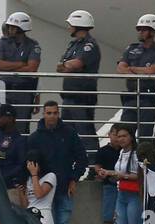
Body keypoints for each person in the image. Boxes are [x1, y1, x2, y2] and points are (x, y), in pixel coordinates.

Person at [116, 13, 155, 143]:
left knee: (145, 138)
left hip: (148, 99)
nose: (140, 32)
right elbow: (121, 68)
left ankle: (143, 162)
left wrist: (132, 69)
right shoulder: (131, 48)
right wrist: (141, 72)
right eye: (139, 29)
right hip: (131, 97)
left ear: (152, 32)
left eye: (143, 29)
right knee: (124, 133)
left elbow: (153, 71)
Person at [0, 12, 39, 134]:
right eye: (9, 26)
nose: (10, 29)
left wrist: (8, 68)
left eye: (13, 27)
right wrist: (21, 64)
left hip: (23, 91)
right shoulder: (2, 43)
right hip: (2, 89)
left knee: (21, 128)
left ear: (21, 29)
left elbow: (32, 68)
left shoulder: (33, 45)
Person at [57, 11, 100, 140]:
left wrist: (67, 65)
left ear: (78, 24)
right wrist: (67, 65)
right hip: (68, 96)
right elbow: (60, 66)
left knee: (85, 133)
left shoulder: (90, 45)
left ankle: (91, 158)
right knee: (66, 134)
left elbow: (77, 63)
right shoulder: (73, 44)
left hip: (82, 97)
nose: (68, 27)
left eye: (70, 24)